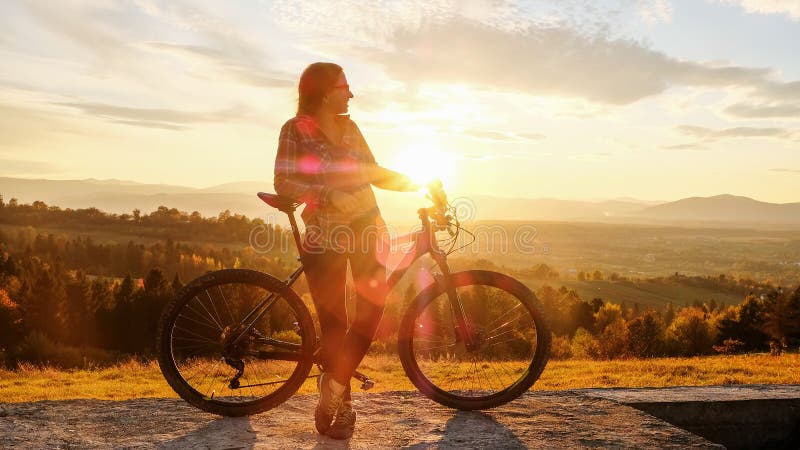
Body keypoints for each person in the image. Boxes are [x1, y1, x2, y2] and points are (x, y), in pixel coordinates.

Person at [274, 62, 418, 440]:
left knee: (373, 309)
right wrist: (327, 193)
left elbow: (372, 171)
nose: (350, 94)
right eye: (345, 86)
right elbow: (283, 180)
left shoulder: (350, 128)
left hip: (368, 226)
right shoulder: (295, 129)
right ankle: (340, 408)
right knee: (335, 324)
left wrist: (418, 183)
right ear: (324, 91)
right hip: (325, 234)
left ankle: (333, 388)